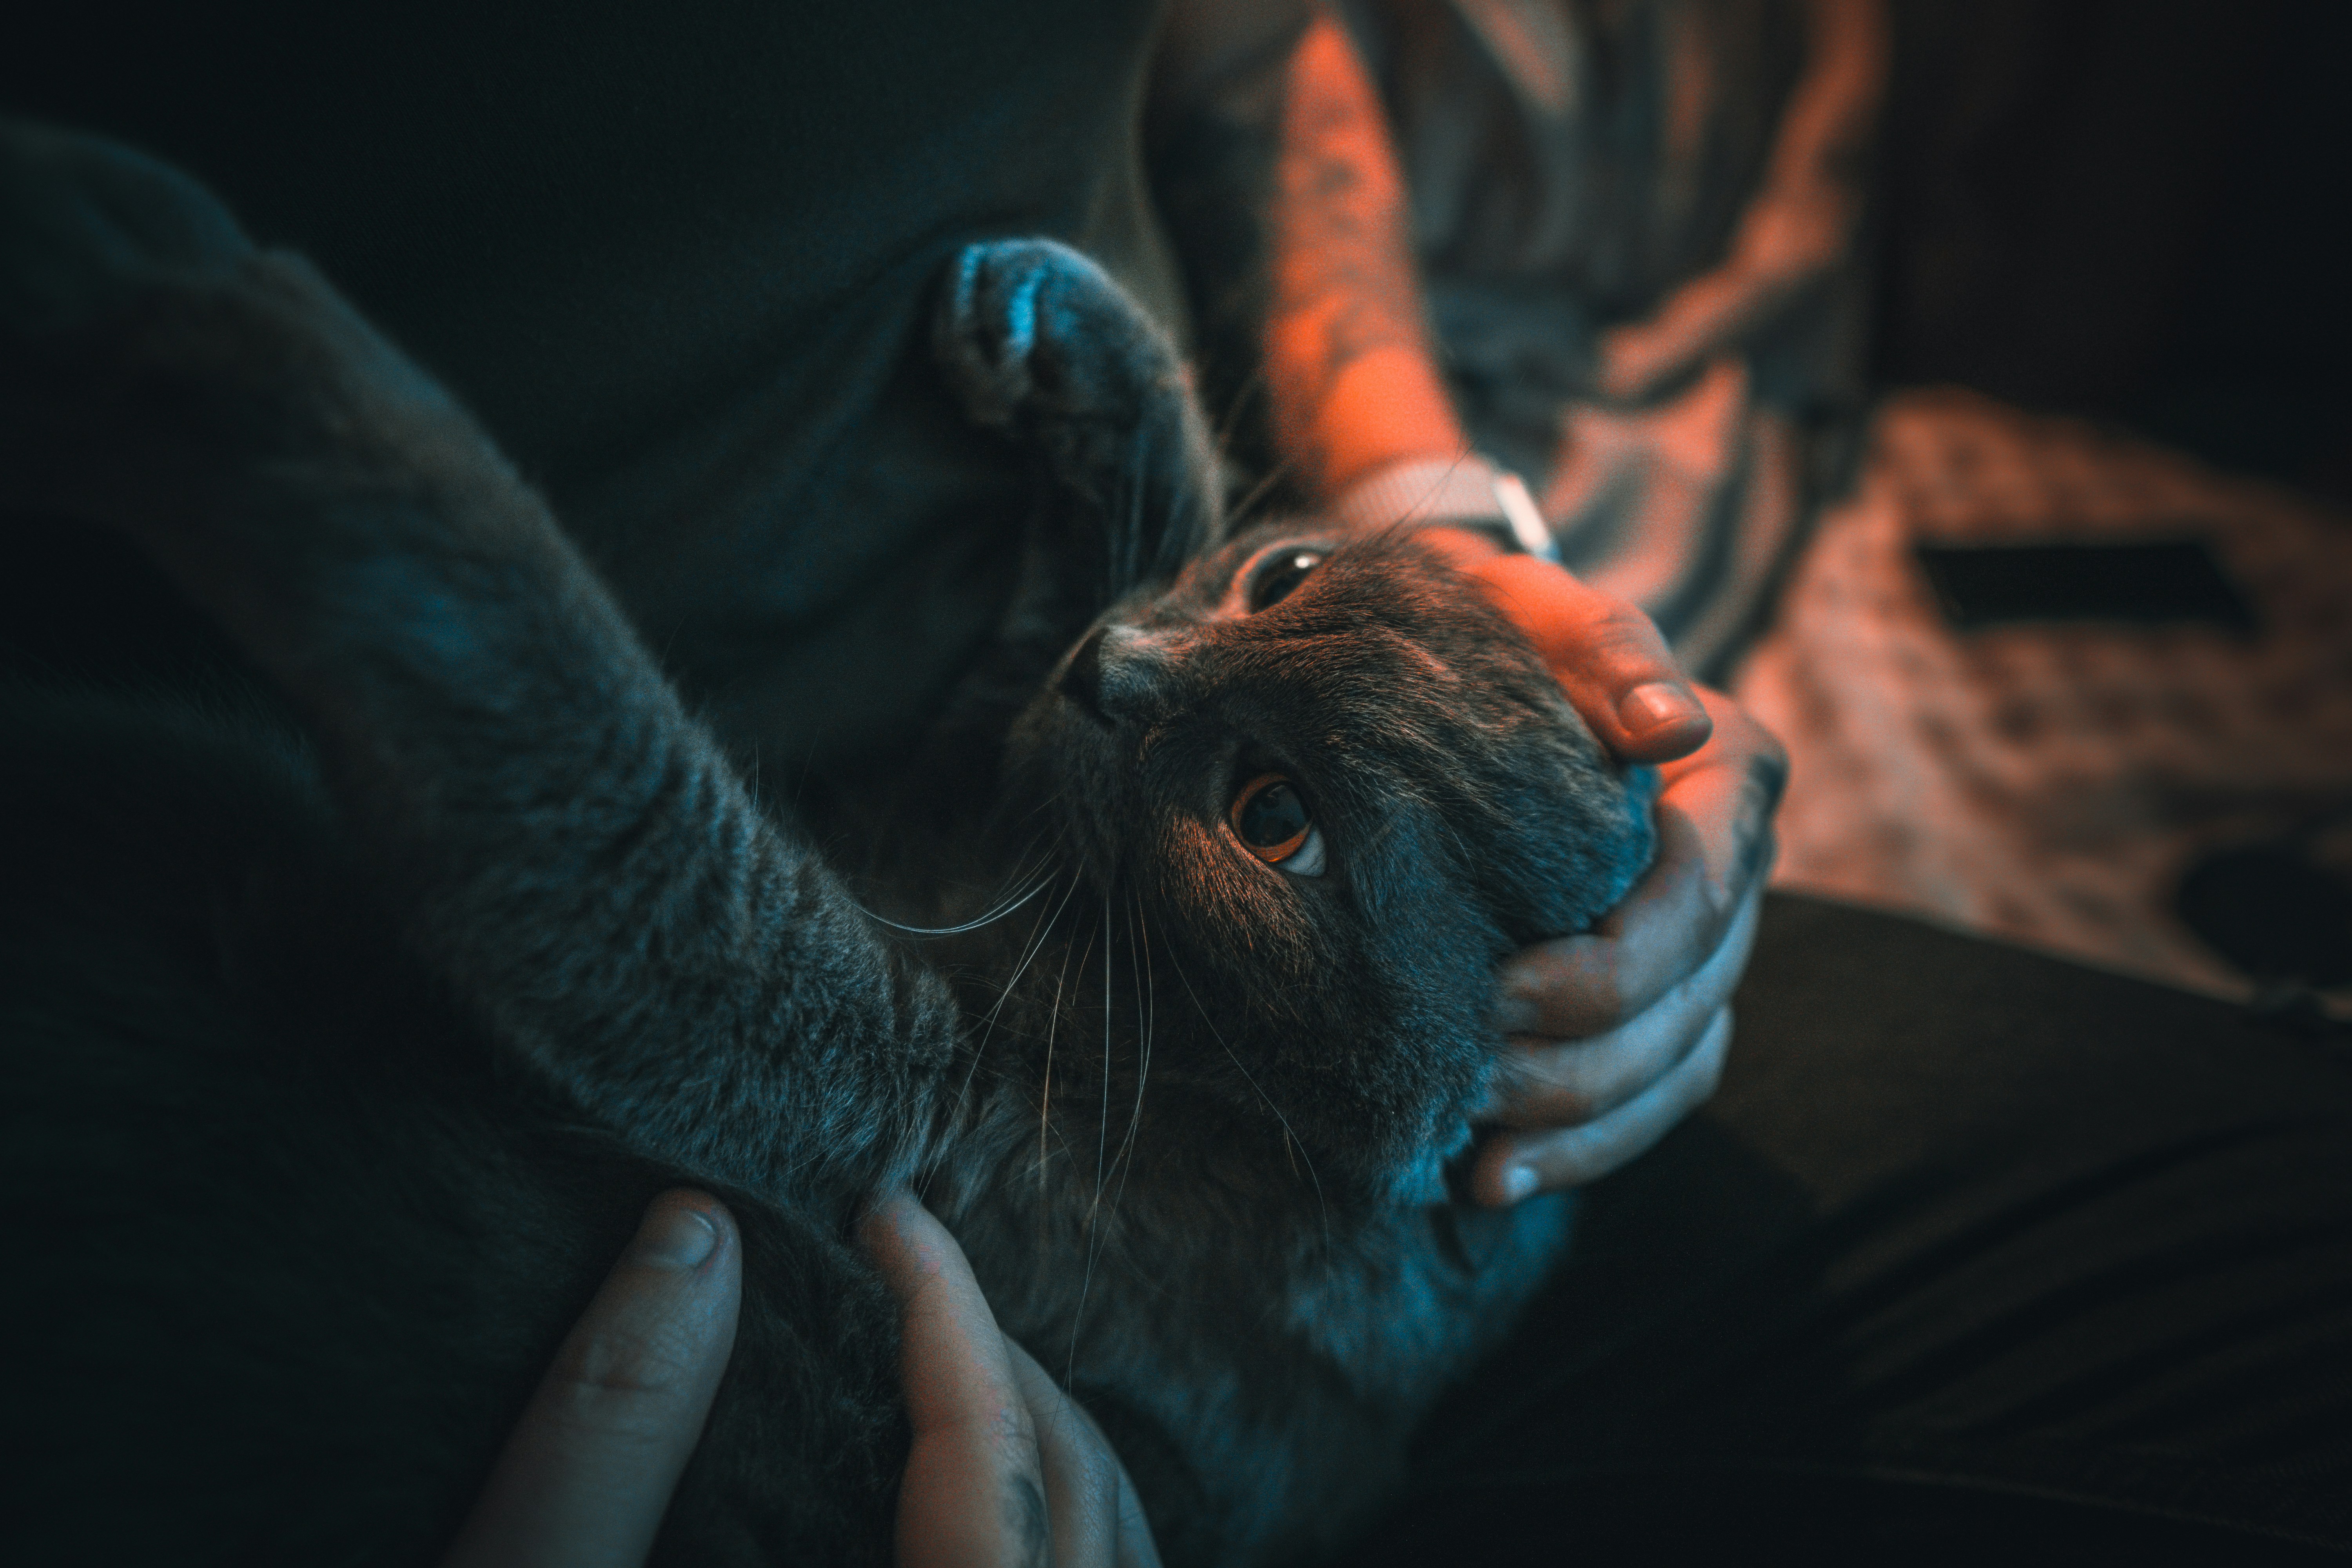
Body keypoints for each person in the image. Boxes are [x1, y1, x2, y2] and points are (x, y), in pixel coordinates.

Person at [7, 2, 2347, 1563]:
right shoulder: (1174, 781)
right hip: (461, 1015)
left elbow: (1246, 27)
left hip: (1161, 1160)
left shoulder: (1311, 1052)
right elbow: (777, 997)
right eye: (1253, 584)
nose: (1139, 649)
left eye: (1268, 802)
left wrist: (1430, 512)